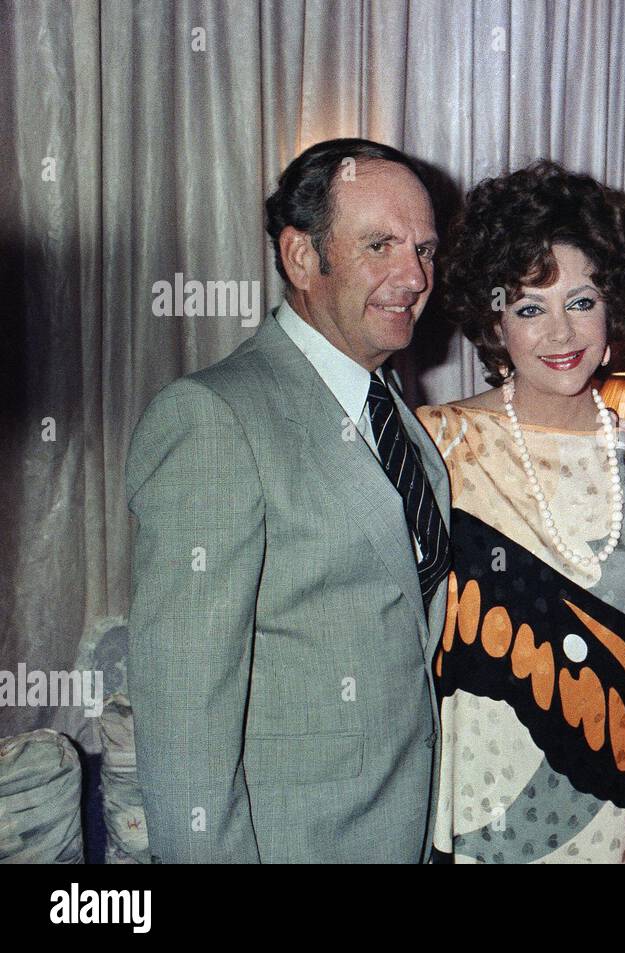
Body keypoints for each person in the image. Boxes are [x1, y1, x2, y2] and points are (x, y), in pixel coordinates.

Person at [127, 138, 451, 863]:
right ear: (302, 257)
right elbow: (183, 721)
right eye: (381, 245)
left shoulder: (391, 405)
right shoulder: (214, 418)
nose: (414, 276)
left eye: (425, 250)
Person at [416, 160, 625, 863]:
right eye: (529, 307)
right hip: (479, 804)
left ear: (611, 307)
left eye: (581, 301)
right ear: (495, 321)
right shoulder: (438, 442)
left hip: (611, 803)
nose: (560, 333)